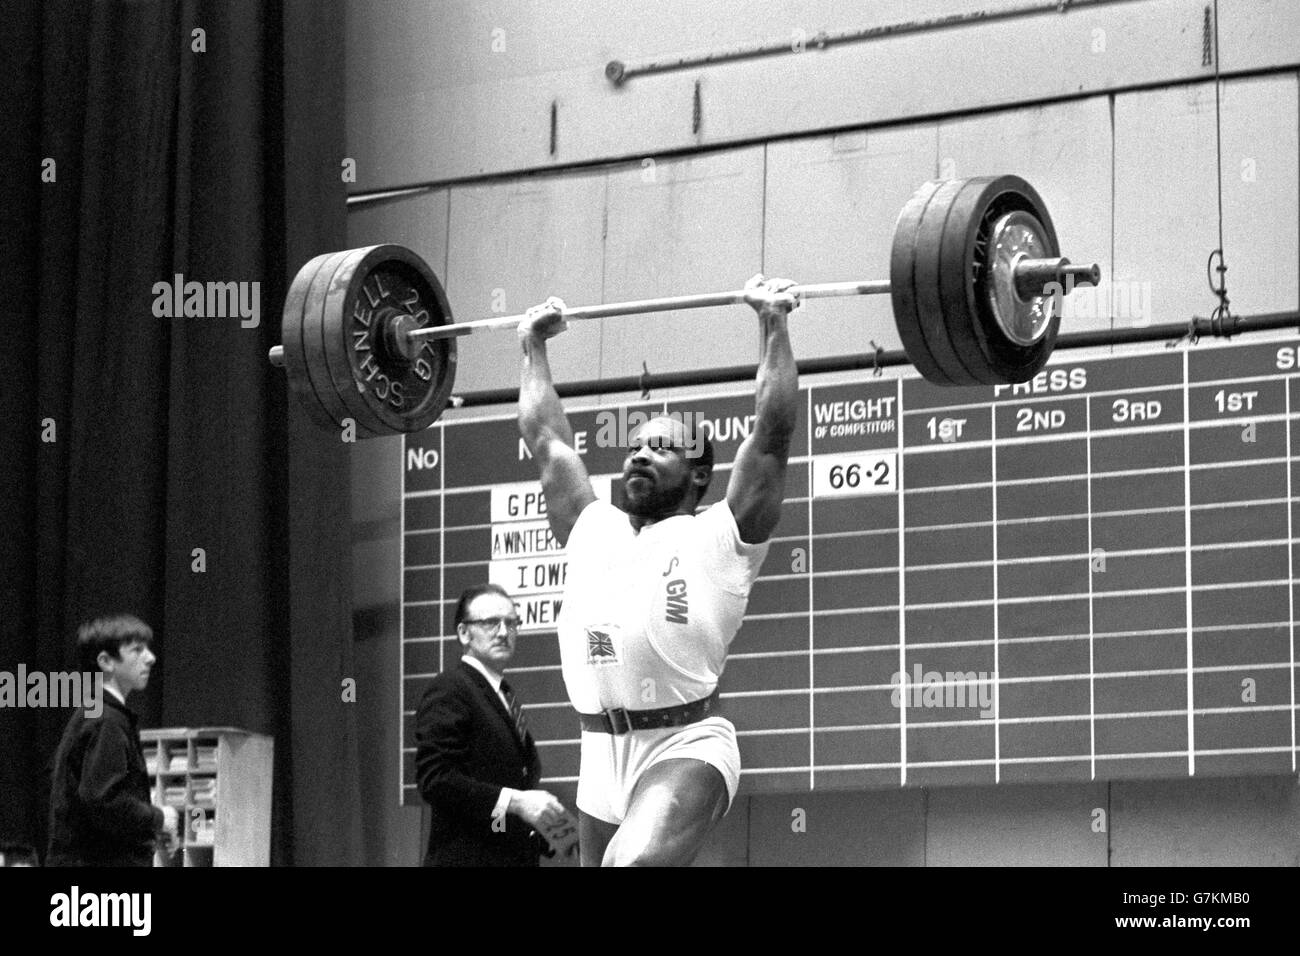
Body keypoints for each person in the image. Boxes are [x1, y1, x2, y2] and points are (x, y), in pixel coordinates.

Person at [517, 274, 799, 866]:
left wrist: (773, 321)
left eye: (662, 448)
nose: (639, 454)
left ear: (699, 477)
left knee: (632, 865)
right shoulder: (591, 525)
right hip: (600, 749)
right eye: (634, 447)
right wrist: (533, 345)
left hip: (687, 740)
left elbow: (772, 435)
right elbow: (547, 439)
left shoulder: (723, 534)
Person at [414, 583, 577, 866]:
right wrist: (518, 803)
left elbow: (509, 782)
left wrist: (546, 830)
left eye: (511, 623)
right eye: (491, 623)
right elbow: (436, 780)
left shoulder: (503, 694)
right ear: (464, 633)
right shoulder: (450, 688)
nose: (503, 632)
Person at [46, 614, 178, 867]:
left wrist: (146, 828)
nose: (150, 658)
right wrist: (159, 818)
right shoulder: (106, 720)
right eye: (137, 650)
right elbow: (104, 801)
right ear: (106, 661)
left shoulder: (96, 713)